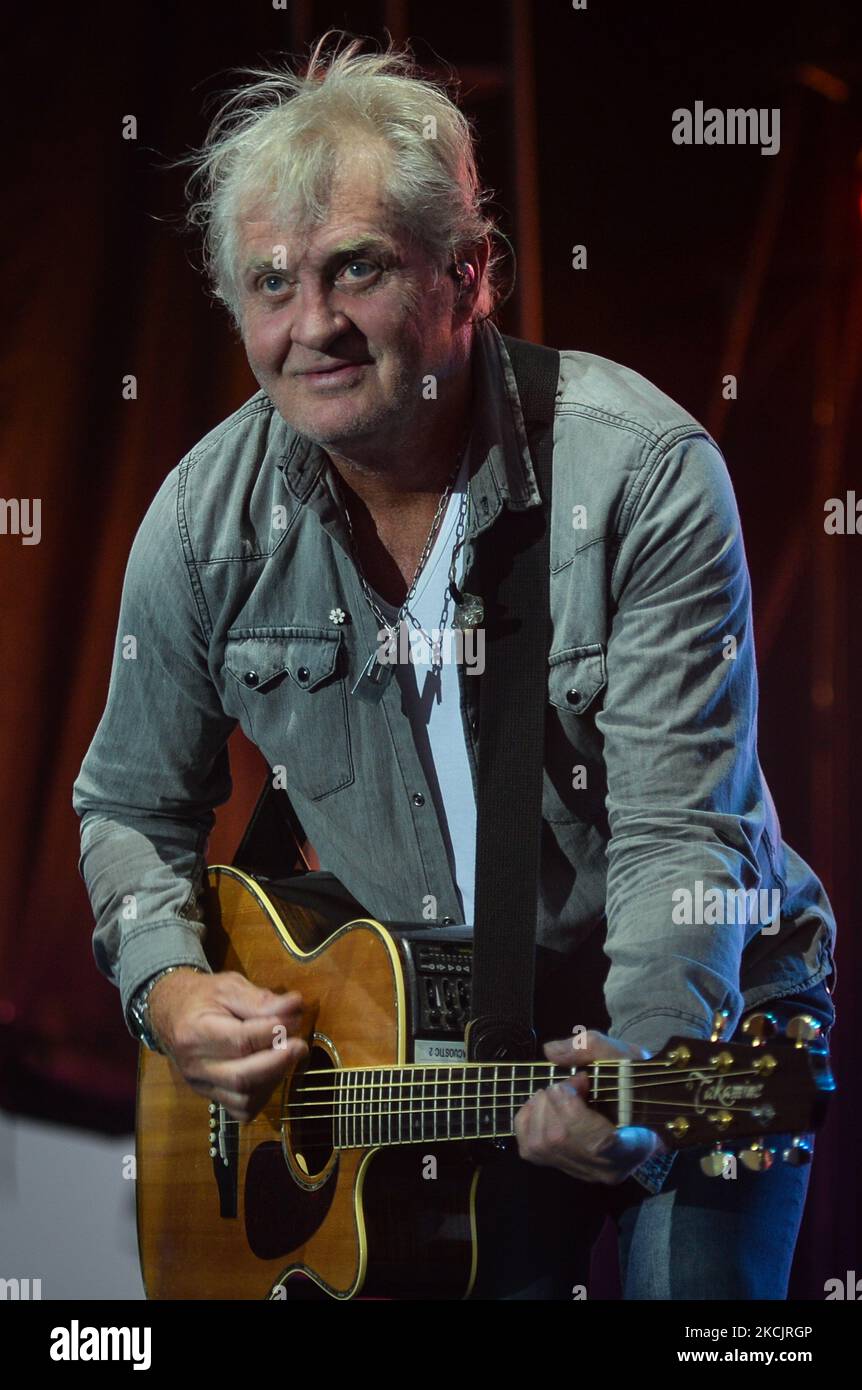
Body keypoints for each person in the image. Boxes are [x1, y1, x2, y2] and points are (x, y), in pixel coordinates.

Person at [72, 31, 836, 1300]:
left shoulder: (637, 473)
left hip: (689, 1026)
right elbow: (129, 803)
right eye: (270, 283)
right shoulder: (202, 522)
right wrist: (168, 987)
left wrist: (634, 1071)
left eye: (354, 269)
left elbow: (674, 839)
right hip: (418, 1065)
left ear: (470, 272)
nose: (309, 323)